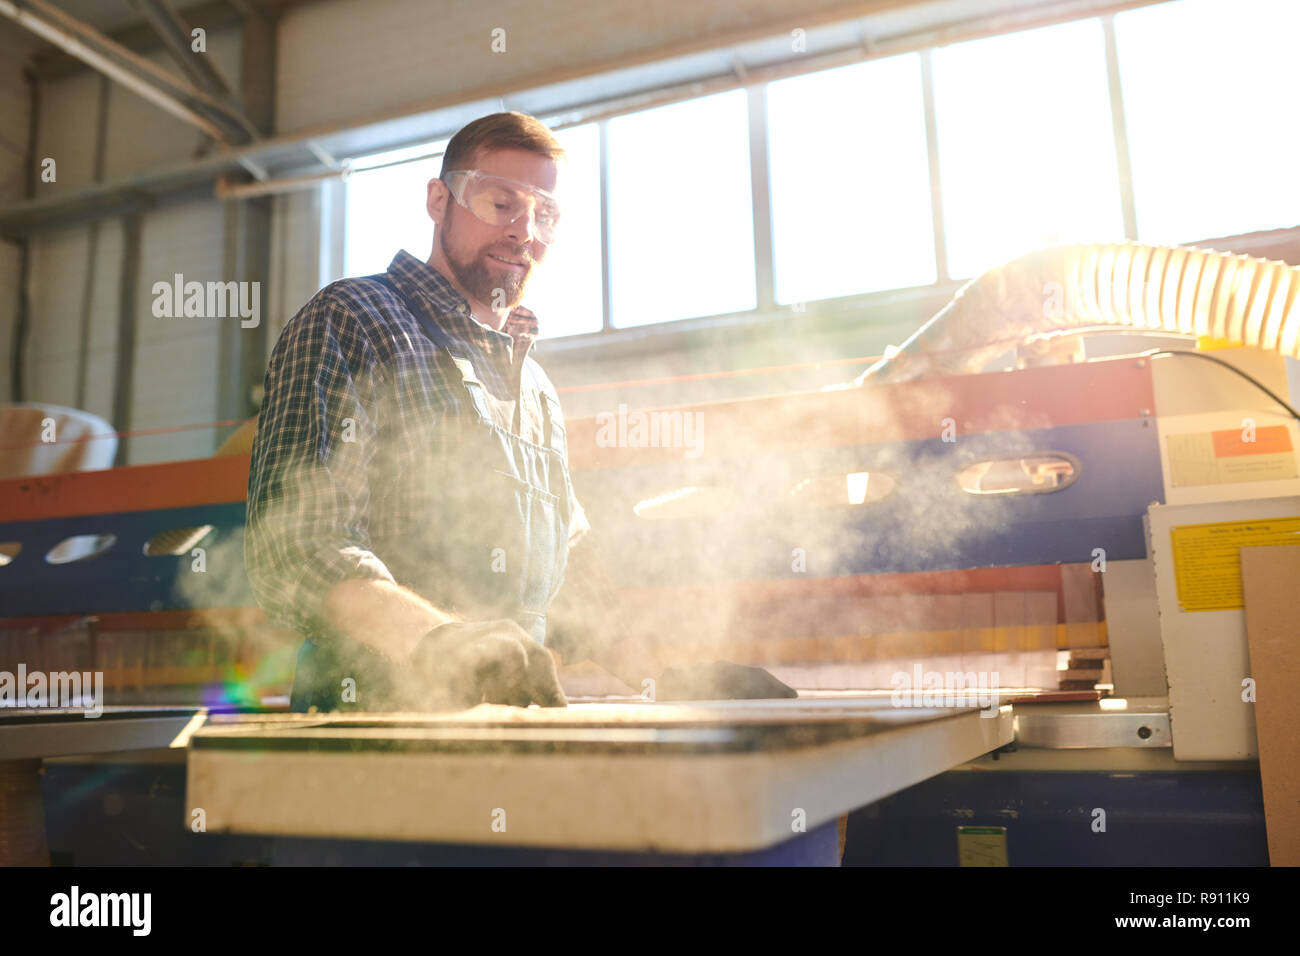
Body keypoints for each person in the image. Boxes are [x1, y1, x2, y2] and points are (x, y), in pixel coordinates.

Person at [245, 111, 793, 712]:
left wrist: (668, 678)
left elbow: (571, 584)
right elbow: (298, 548)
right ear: (438, 199)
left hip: (510, 736)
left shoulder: (535, 387)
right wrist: (443, 644)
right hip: (367, 734)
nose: (523, 231)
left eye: (544, 215)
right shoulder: (355, 320)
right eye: (500, 204)